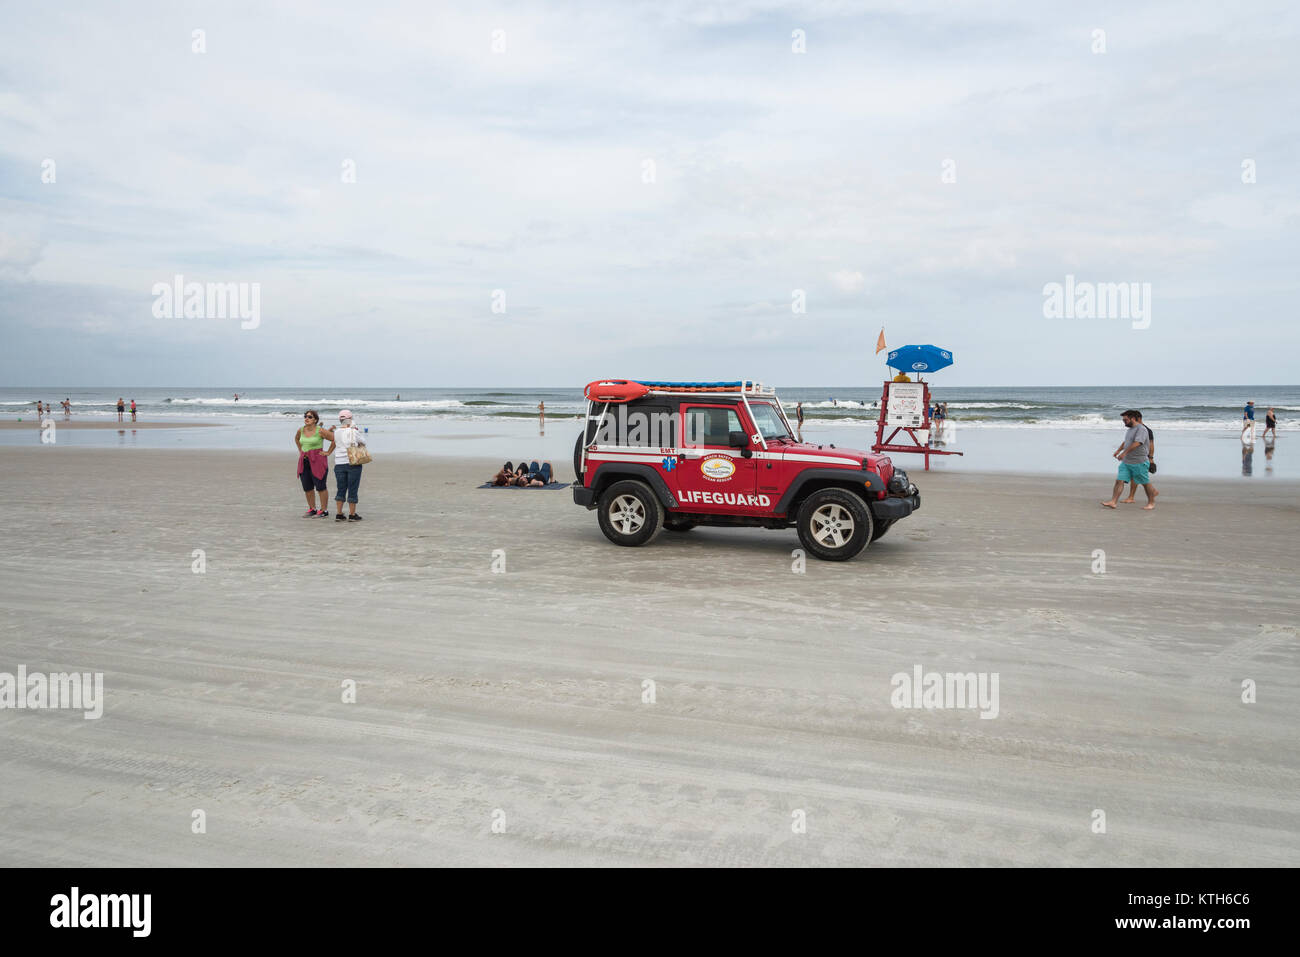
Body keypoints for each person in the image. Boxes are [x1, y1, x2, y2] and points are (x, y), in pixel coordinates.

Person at [1102, 410, 1155, 509]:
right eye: (1123, 420)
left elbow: (1138, 442)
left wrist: (1124, 453)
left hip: (1139, 462)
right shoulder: (1130, 429)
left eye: (1125, 420)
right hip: (1126, 462)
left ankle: (1151, 503)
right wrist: (1118, 450)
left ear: (1133, 418)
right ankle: (1113, 502)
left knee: (1145, 483)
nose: (1124, 422)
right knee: (1119, 481)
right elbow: (1126, 442)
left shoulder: (1141, 429)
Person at [295, 410, 332, 517]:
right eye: (305, 416)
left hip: (318, 461)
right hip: (304, 461)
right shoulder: (301, 430)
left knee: (320, 486)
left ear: (315, 420)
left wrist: (328, 452)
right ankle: (312, 509)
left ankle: (324, 510)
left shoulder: (320, 431)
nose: (307, 418)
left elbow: (334, 439)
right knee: (307, 487)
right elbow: (297, 439)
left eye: (310, 417)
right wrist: (301, 451)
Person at [331, 410, 365, 521]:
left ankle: (339, 514)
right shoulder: (354, 431)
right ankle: (352, 514)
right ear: (351, 419)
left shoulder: (336, 432)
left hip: (339, 463)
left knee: (341, 488)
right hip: (353, 462)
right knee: (353, 488)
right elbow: (363, 442)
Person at [1121, 411, 1158, 504]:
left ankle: (1131, 497)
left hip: (1141, 458)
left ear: (1138, 418)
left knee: (1137, 477)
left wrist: (1151, 458)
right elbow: (1127, 441)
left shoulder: (1145, 430)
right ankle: (1153, 491)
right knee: (1139, 477)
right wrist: (1120, 451)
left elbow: (1151, 445)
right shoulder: (1134, 429)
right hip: (1131, 457)